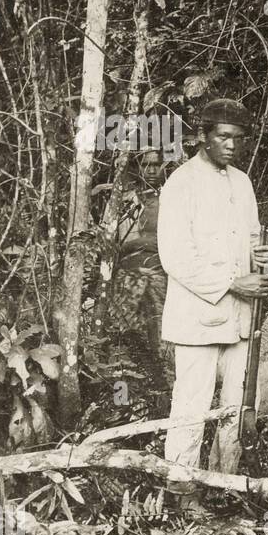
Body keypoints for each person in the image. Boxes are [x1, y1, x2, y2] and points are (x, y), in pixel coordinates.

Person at [158, 98, 268, 501]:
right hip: (198, 316)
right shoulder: (181, 183)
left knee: (241, 402)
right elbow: (175, 256)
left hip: (241, 318)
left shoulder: (241, 183)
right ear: (202, 137)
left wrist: (265, 259)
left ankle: (223, 480)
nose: (231, 145)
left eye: (239, 139)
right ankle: (182, 486)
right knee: (191, 403)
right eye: (223, 137)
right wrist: (231, 282)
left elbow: (254, 239)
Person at [110, 148, 176, 391]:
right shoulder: (125, 200)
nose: (151, 170)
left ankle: (164, 395)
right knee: (127, 339)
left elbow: (175, 243)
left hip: (162, 277)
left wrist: (143, 244)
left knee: (162, 339)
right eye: (145, 165)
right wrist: (149, 243)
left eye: (156, 164)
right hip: (128, 279)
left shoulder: (172, 198)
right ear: (136, 168)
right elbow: (119, 244)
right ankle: (128, 397)